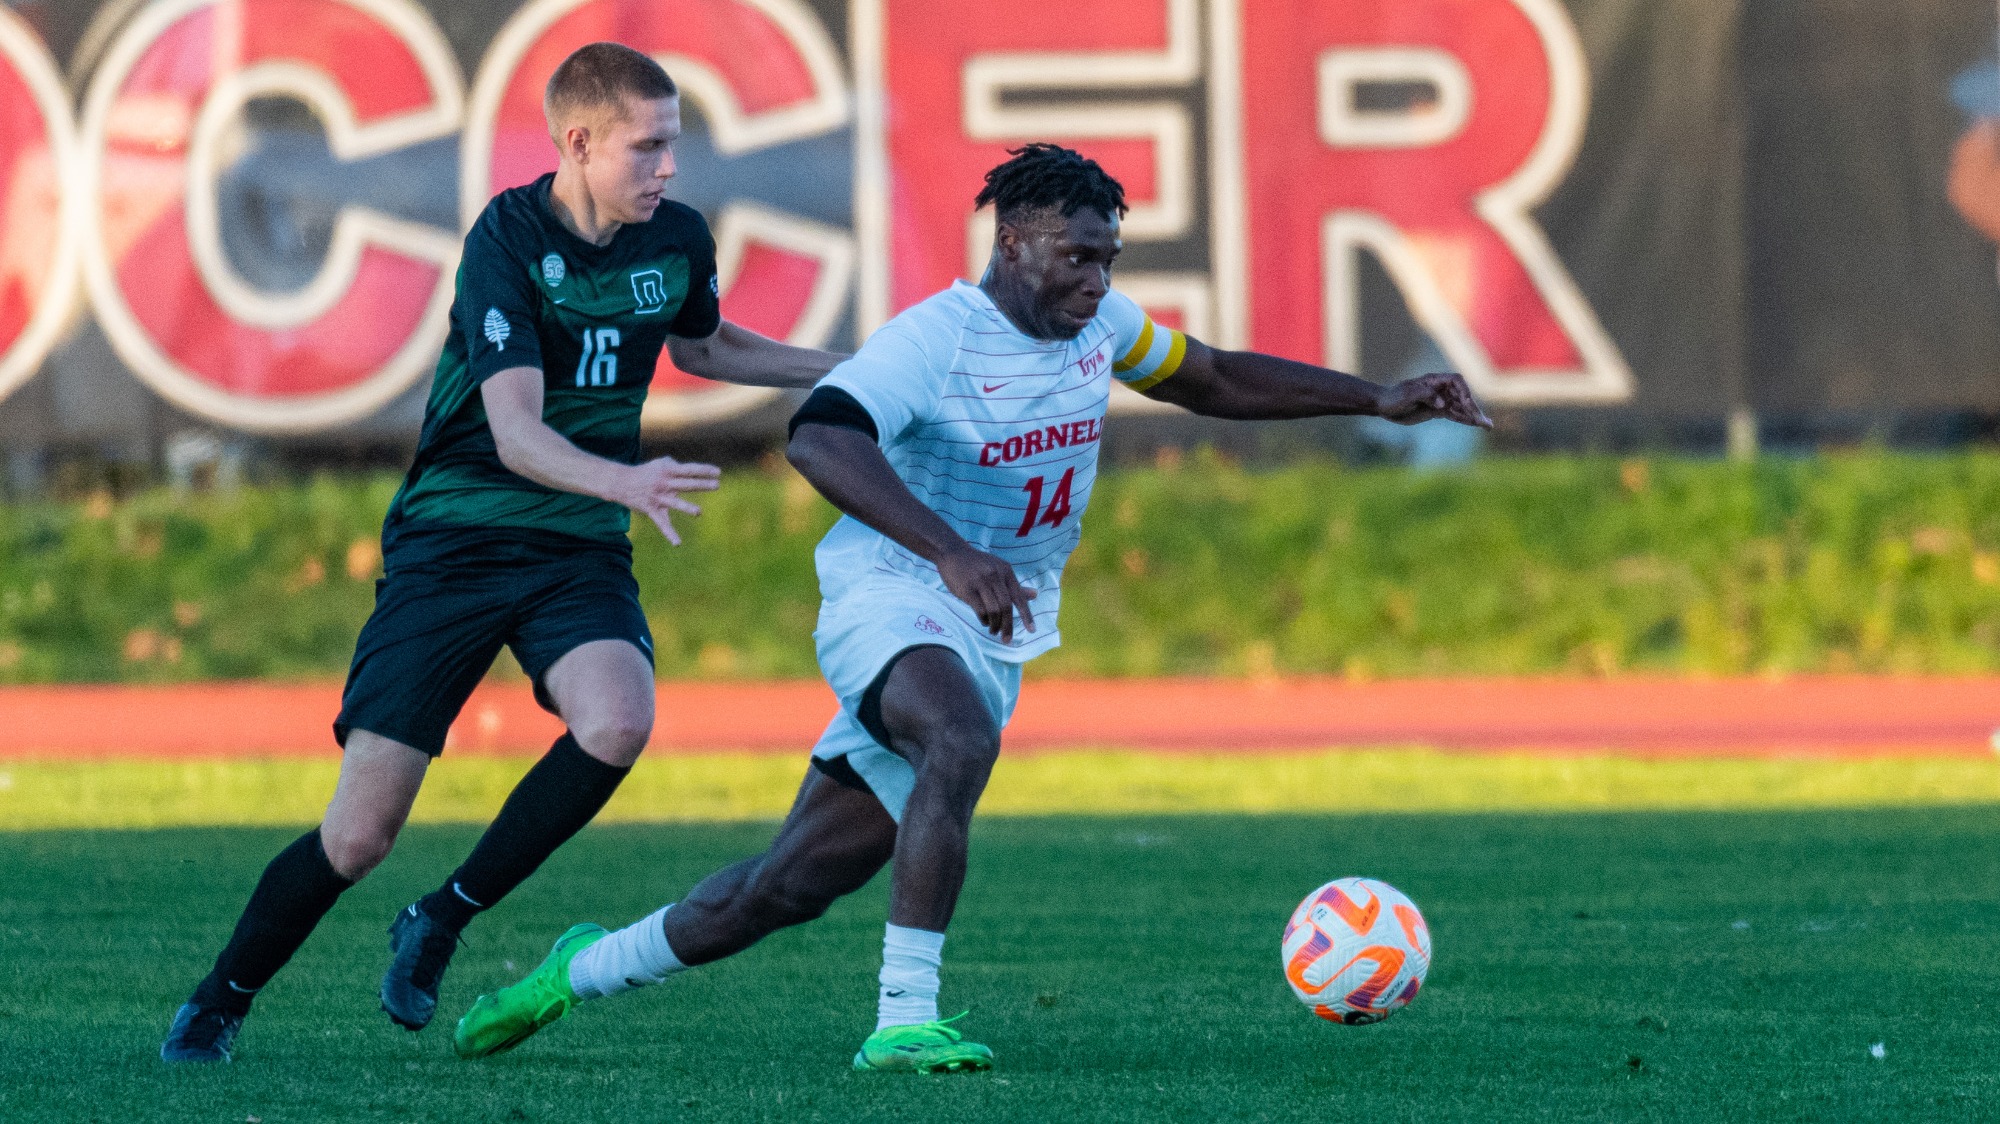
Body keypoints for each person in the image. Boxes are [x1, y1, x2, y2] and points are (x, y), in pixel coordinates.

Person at [450, 143, 1490, 1074]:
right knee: (955, 735)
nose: (1095, 279)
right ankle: (905, 1019)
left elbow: (1208, 376)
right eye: (1074, 256)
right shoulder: (933, 341)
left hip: (989, 623)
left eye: (1106, 258)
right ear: (1010, 242)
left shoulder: (1097, 326)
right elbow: (820, 435)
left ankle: (575, 971)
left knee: (784, 885)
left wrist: (1374, 395)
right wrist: (948, 551)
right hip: (891, 592)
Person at [160, 42, 844, 1063]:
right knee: (356, 837)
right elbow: (516, 431)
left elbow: (701, 343)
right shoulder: (507, 239)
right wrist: (626, 478)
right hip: (454, 545)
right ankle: (221, 995)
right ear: (577, 141)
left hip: (573, 550)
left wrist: (846, 364)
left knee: (616, 720)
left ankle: (441, 914)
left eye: (674, 145)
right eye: (647, 146)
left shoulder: (676, 240)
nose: (668, 168)